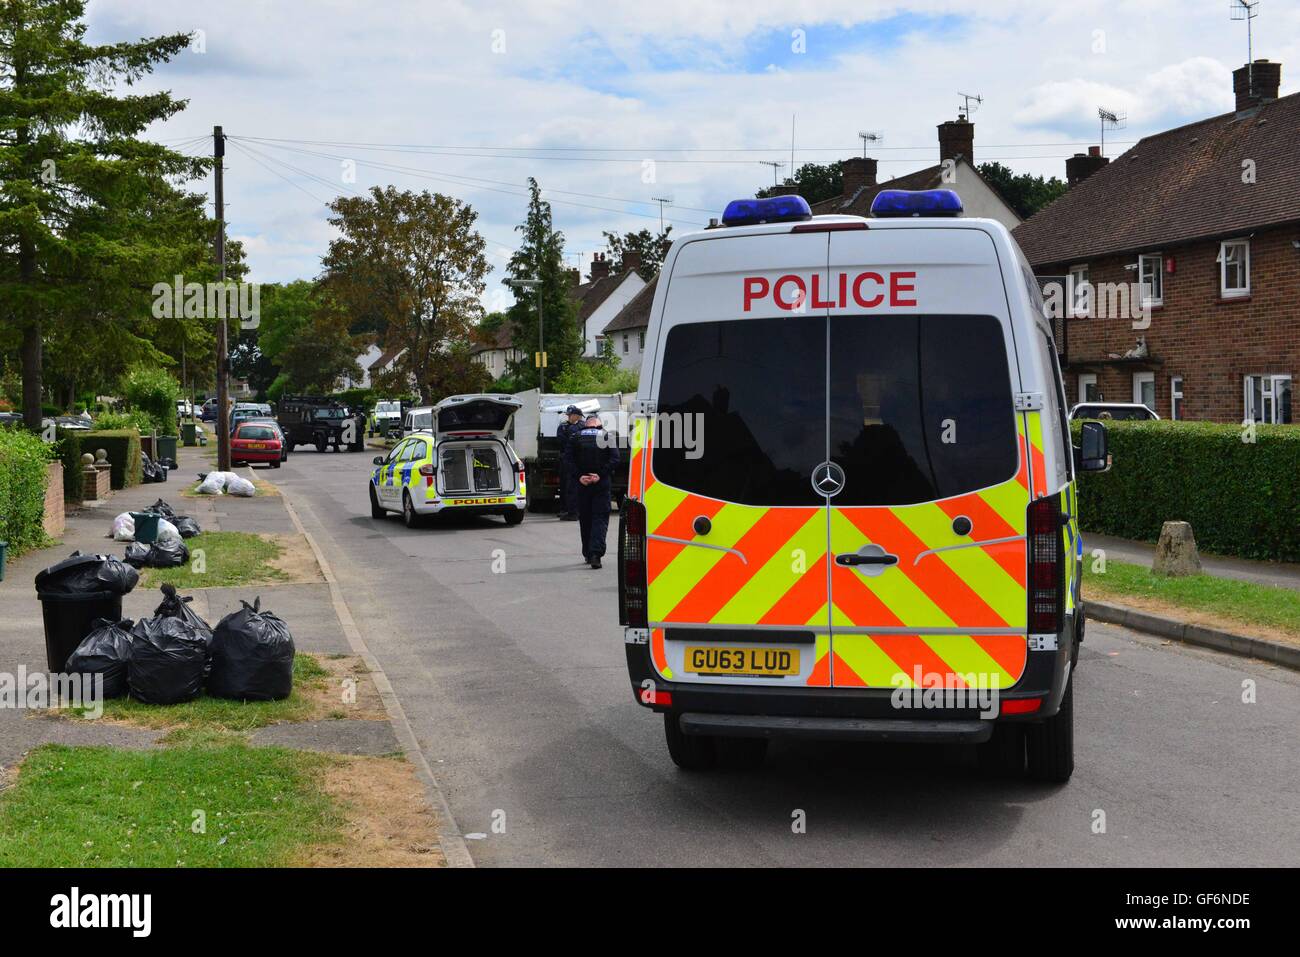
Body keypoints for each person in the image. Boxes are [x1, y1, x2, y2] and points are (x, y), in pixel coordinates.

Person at [565, 413, 619, 569]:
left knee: (586, 519)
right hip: (601, 484)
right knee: (600, 519)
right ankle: (596, 555)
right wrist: (600, 475)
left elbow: (567, 460)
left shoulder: (575, 437)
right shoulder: (607, 436)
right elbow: (615, 459)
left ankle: (588, 554)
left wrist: (579, 476)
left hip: (582, 485)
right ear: (599, 425)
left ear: (586, 425)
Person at [555, 405, 585, 520]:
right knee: (564, 485)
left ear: (577, 416)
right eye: (568, 415)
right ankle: (565, 509)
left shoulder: (582, 426)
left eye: (571, 415)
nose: (569, 417)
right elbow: (561, 441)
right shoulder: (563, 426)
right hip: (566, 459)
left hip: (578, 460)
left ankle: (574, 510)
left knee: (573, 486)